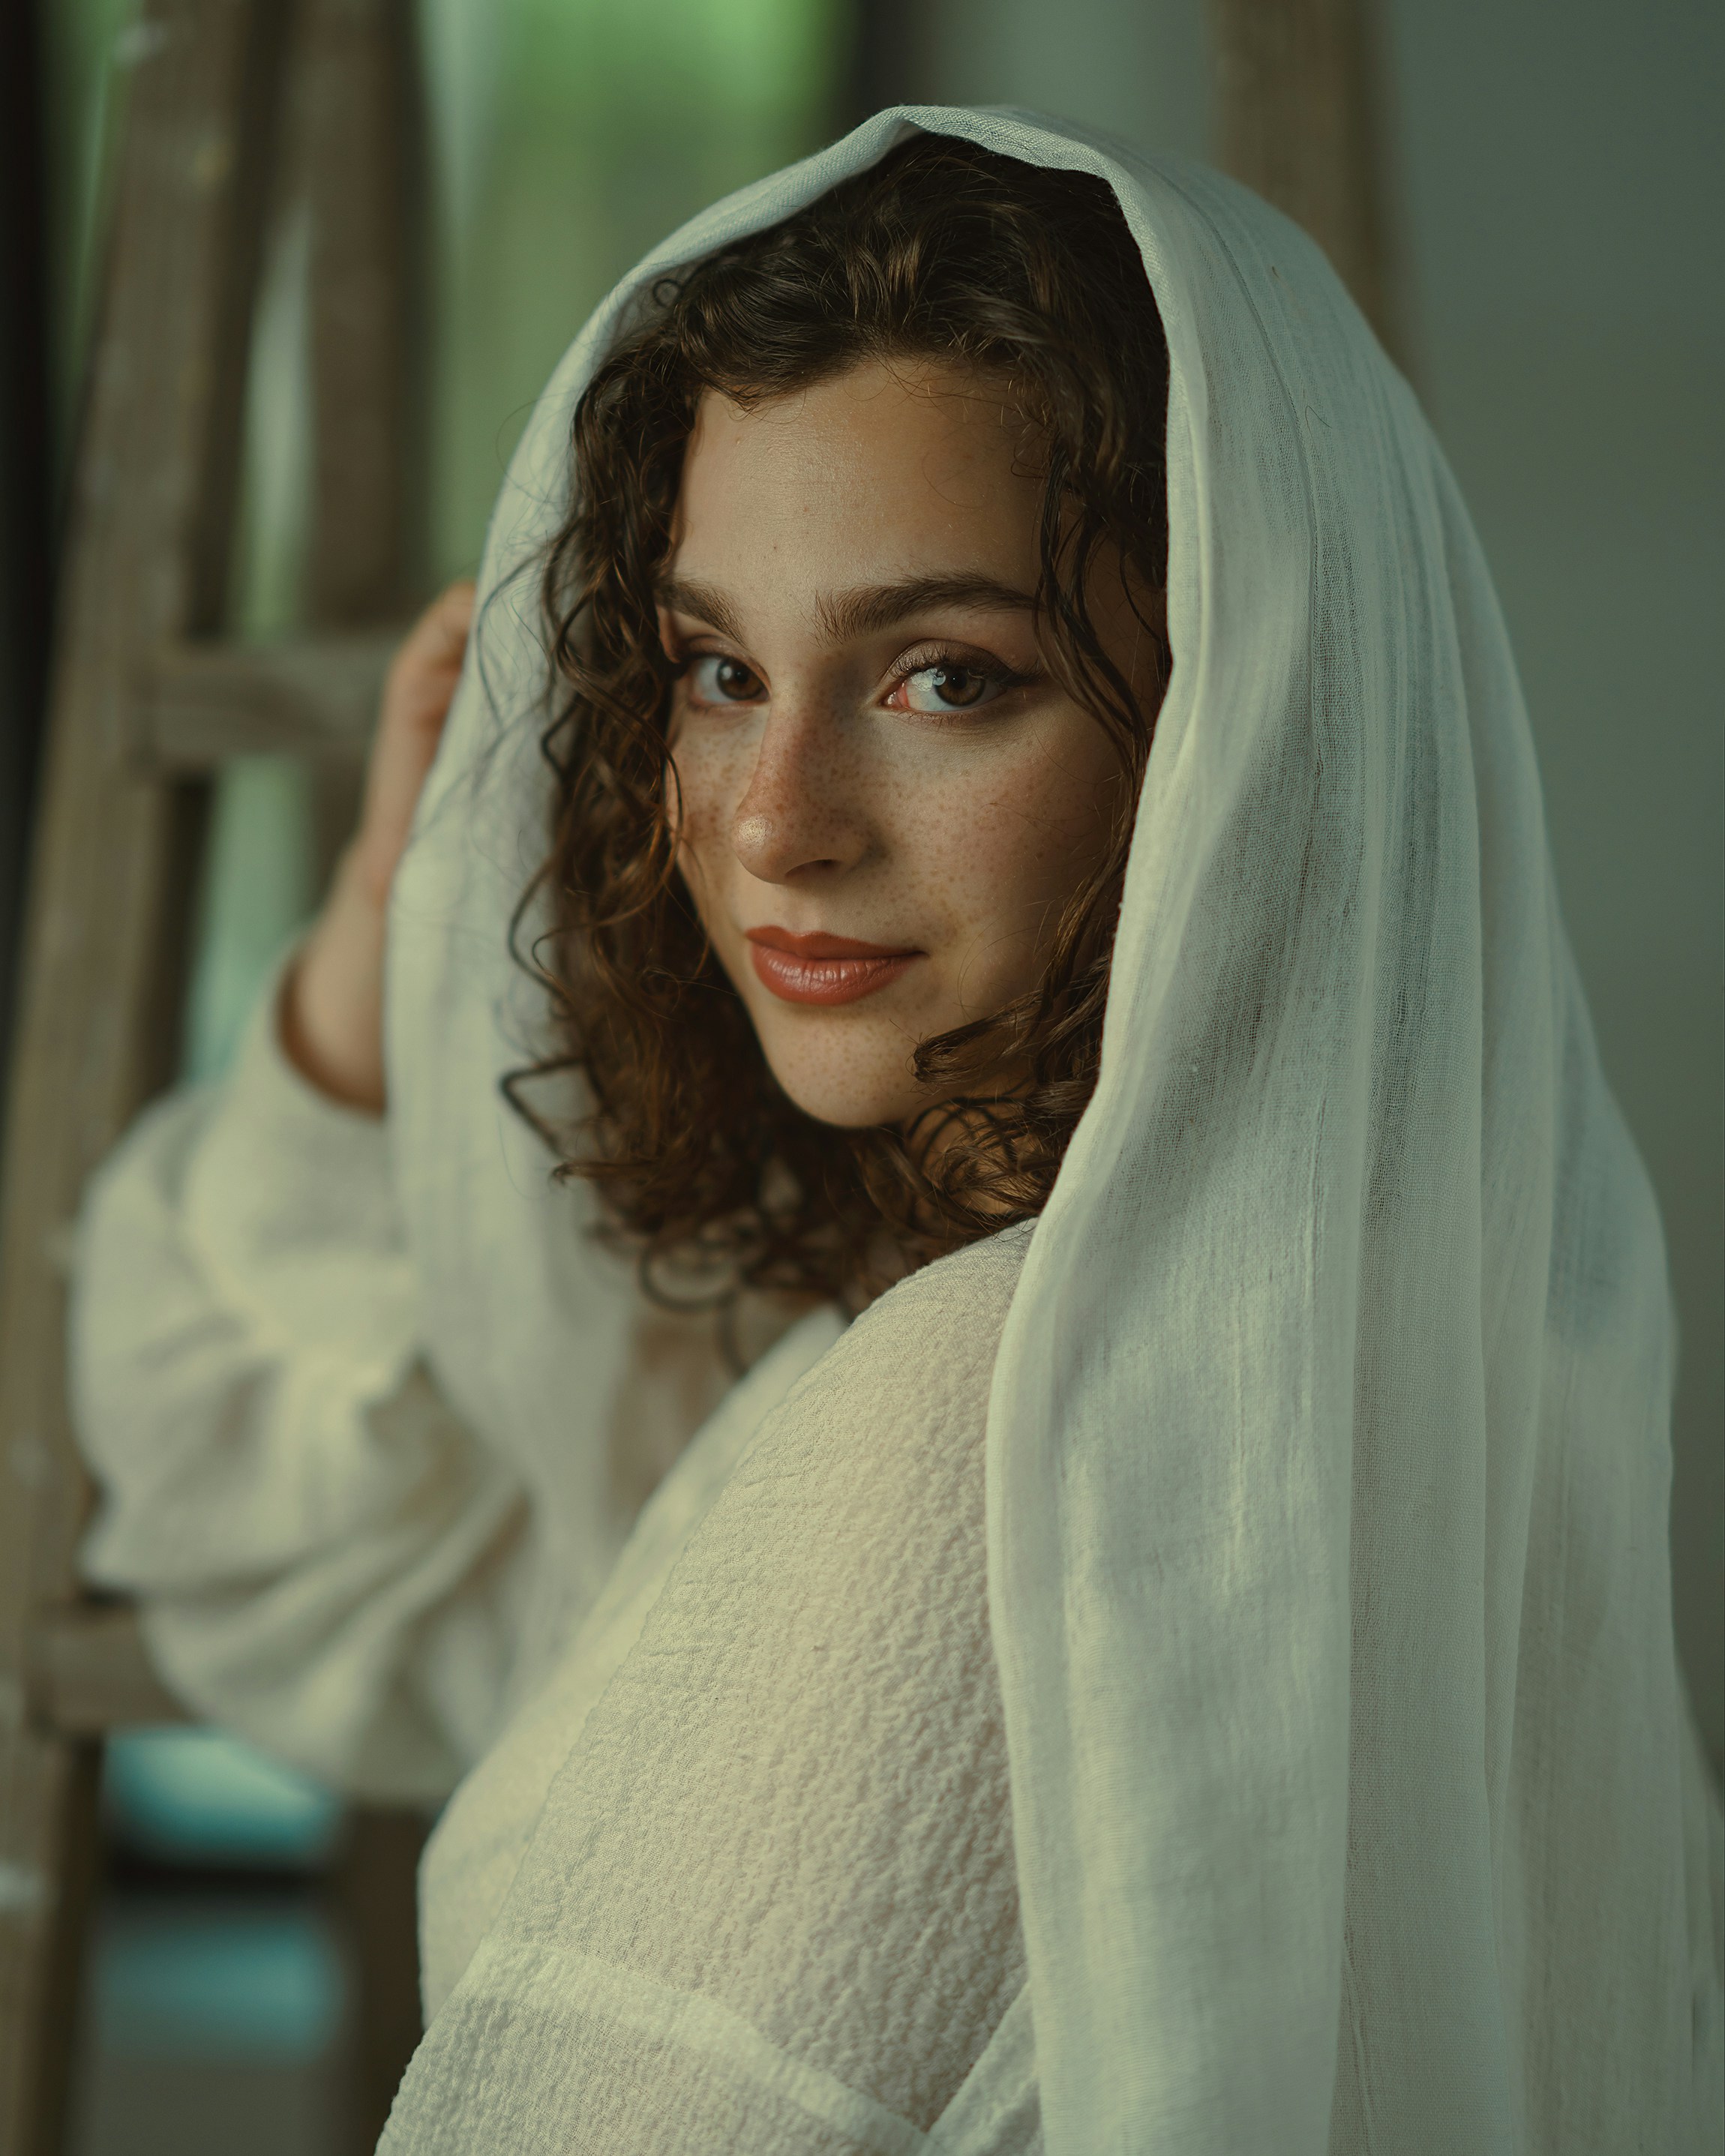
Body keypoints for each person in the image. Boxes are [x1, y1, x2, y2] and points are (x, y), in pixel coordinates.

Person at [70, 112, 1722, 2155]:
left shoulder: (989, 1413)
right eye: (713, 668)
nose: (775, 822)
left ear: (1236, 718)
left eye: (947, 674)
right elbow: (328, 1555)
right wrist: (371, 946)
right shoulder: (1331, 1366)